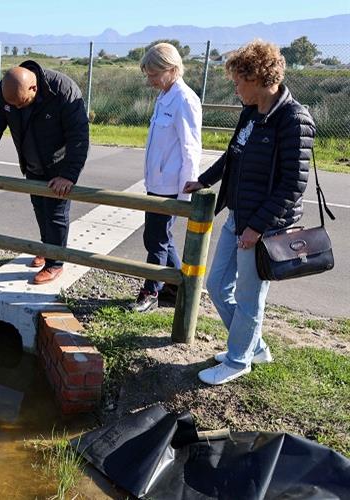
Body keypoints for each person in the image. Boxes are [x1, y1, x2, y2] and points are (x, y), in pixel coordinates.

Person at [183, 40, 315, 385]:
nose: (236, 88)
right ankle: (252, 346)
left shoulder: (293, 119)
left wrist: (256, 228)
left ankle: (239, 359)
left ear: (258, 77)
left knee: (249, 296)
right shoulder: (251, 112)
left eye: (239, 81)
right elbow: (233, 156)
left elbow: (293, 185)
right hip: (239, 217)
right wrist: (203, 180)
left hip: (263, 227)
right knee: (216, 284)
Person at [0, 61, 89, 284]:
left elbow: (79, 137)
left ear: (33, 88)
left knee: (55, 214)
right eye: (11, 105)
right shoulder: (5, 91)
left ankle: (55, 263)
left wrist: (69, 175)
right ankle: (47, 248)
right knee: (40, 209)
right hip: (32, 162)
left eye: (20, 103)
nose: (16, 108)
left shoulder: (63, 90)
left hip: (59, 167)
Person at [131, 43, 202, 312]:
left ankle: (151, 292)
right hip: (158, 181)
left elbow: (190, 148)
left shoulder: (184, 100)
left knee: (156, 239)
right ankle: (176, 286)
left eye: (153, 74)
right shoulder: (165, 95)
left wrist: (185, 194)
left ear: (171, 69)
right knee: (162, 237)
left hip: (172, 184)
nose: (150, 80)